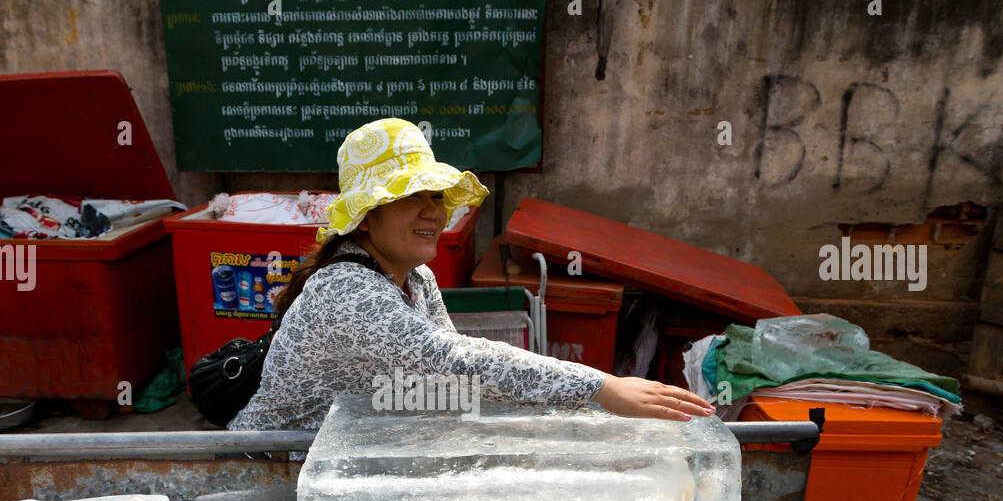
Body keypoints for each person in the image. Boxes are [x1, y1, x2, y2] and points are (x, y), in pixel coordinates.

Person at [227, 118, 713, 436]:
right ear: (365, 218)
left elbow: (453, 386)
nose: (431, 211)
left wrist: (557, 414)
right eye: (407, 196)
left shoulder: (416, 278)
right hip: (273, 467)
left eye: (436, 196)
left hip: (344, 456)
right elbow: (453, 361)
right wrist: (600, 388)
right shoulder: (346, 293)